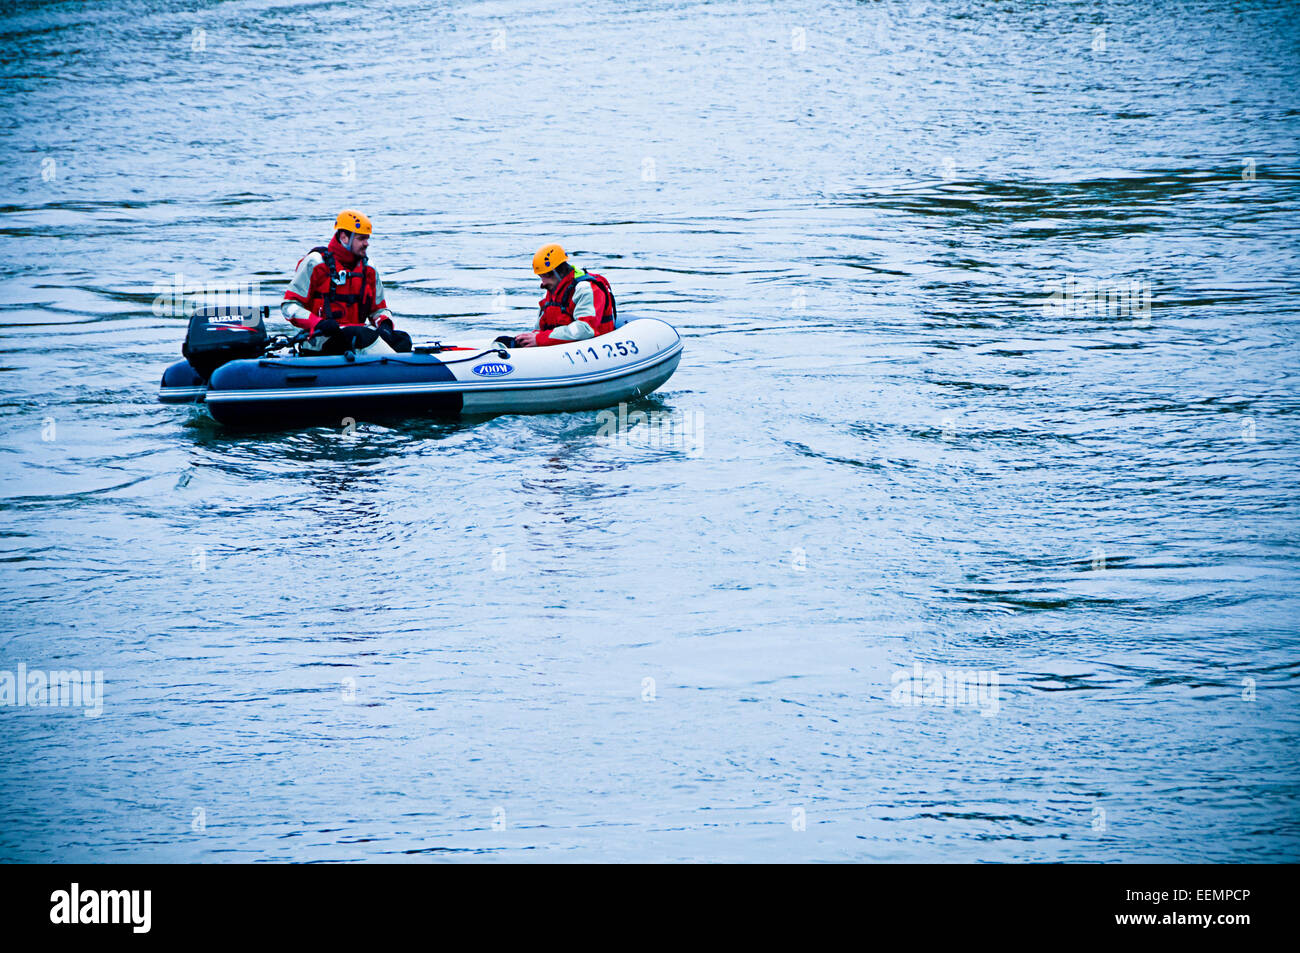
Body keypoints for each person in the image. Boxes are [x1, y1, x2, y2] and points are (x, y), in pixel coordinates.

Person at [281, 209, 411, 354]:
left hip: (357, 335)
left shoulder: (368, 269)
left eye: (367, 238)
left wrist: (385, 324)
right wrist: (318, 323)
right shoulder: (315, 263)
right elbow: (289, 307)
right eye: (361, 239)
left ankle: (394, 366)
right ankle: (395, 368)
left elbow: (378, 310)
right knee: (361, 334)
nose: (367, 244)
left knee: (402, 339)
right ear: (344, 237)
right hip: (320, 339)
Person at [510, 243, 617, 347]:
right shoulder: (550, 293)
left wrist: (539, 339)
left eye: (544, 276)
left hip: (595, 347)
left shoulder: (586, 289)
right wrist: (525, 341)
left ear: (556, 272)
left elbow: (585, 328)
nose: (542, 283)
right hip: (563, 348)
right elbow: (540, 329)